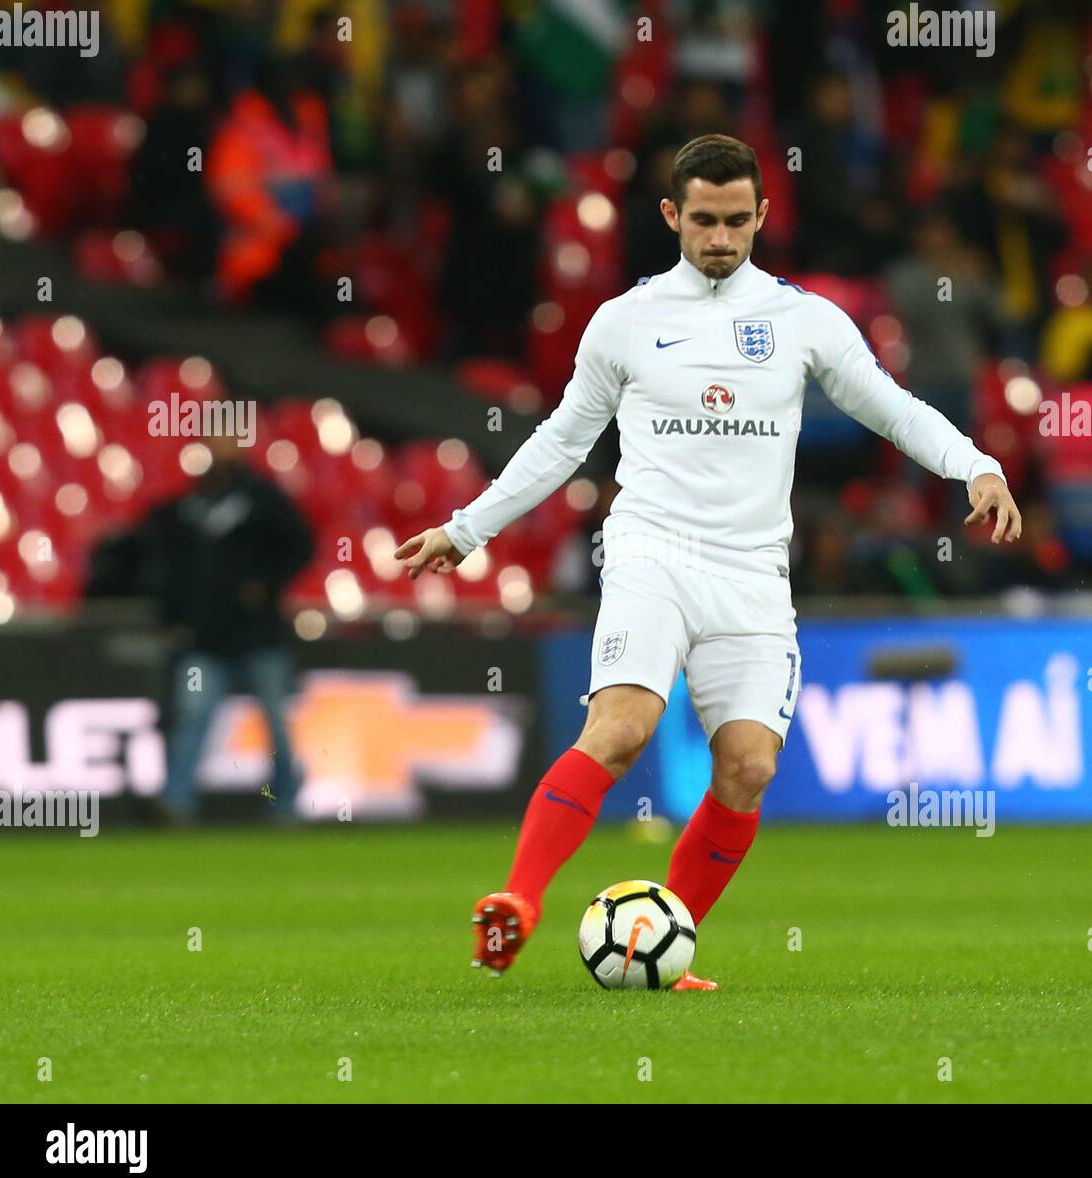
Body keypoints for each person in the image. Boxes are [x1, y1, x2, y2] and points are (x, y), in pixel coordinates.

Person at [396, 135, 1022, 989]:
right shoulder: (625, 320)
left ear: (763, 216)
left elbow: (894, 407)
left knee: (748, 767)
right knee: (619, 728)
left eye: (736, 220)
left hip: (754, 571)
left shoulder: (807, 321)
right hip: (650, 550)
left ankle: (666, 938)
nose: (721, 237)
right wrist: (466, 528)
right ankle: (518, 902)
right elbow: (561, 441)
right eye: (703, 220)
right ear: (671, 217)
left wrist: (975, 465)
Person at [145, 432, 314, 823]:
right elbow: (174, 568)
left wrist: (267, 584)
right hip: (205, 638)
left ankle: (285, 804)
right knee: (191, 716)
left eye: (228, 439)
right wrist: (173, 616)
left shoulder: (263, 498)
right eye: (215, 439)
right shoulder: (193, 502)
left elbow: (301, 544)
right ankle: (176, 802)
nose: (221, 447)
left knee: (276, 725)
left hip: (260, 636)